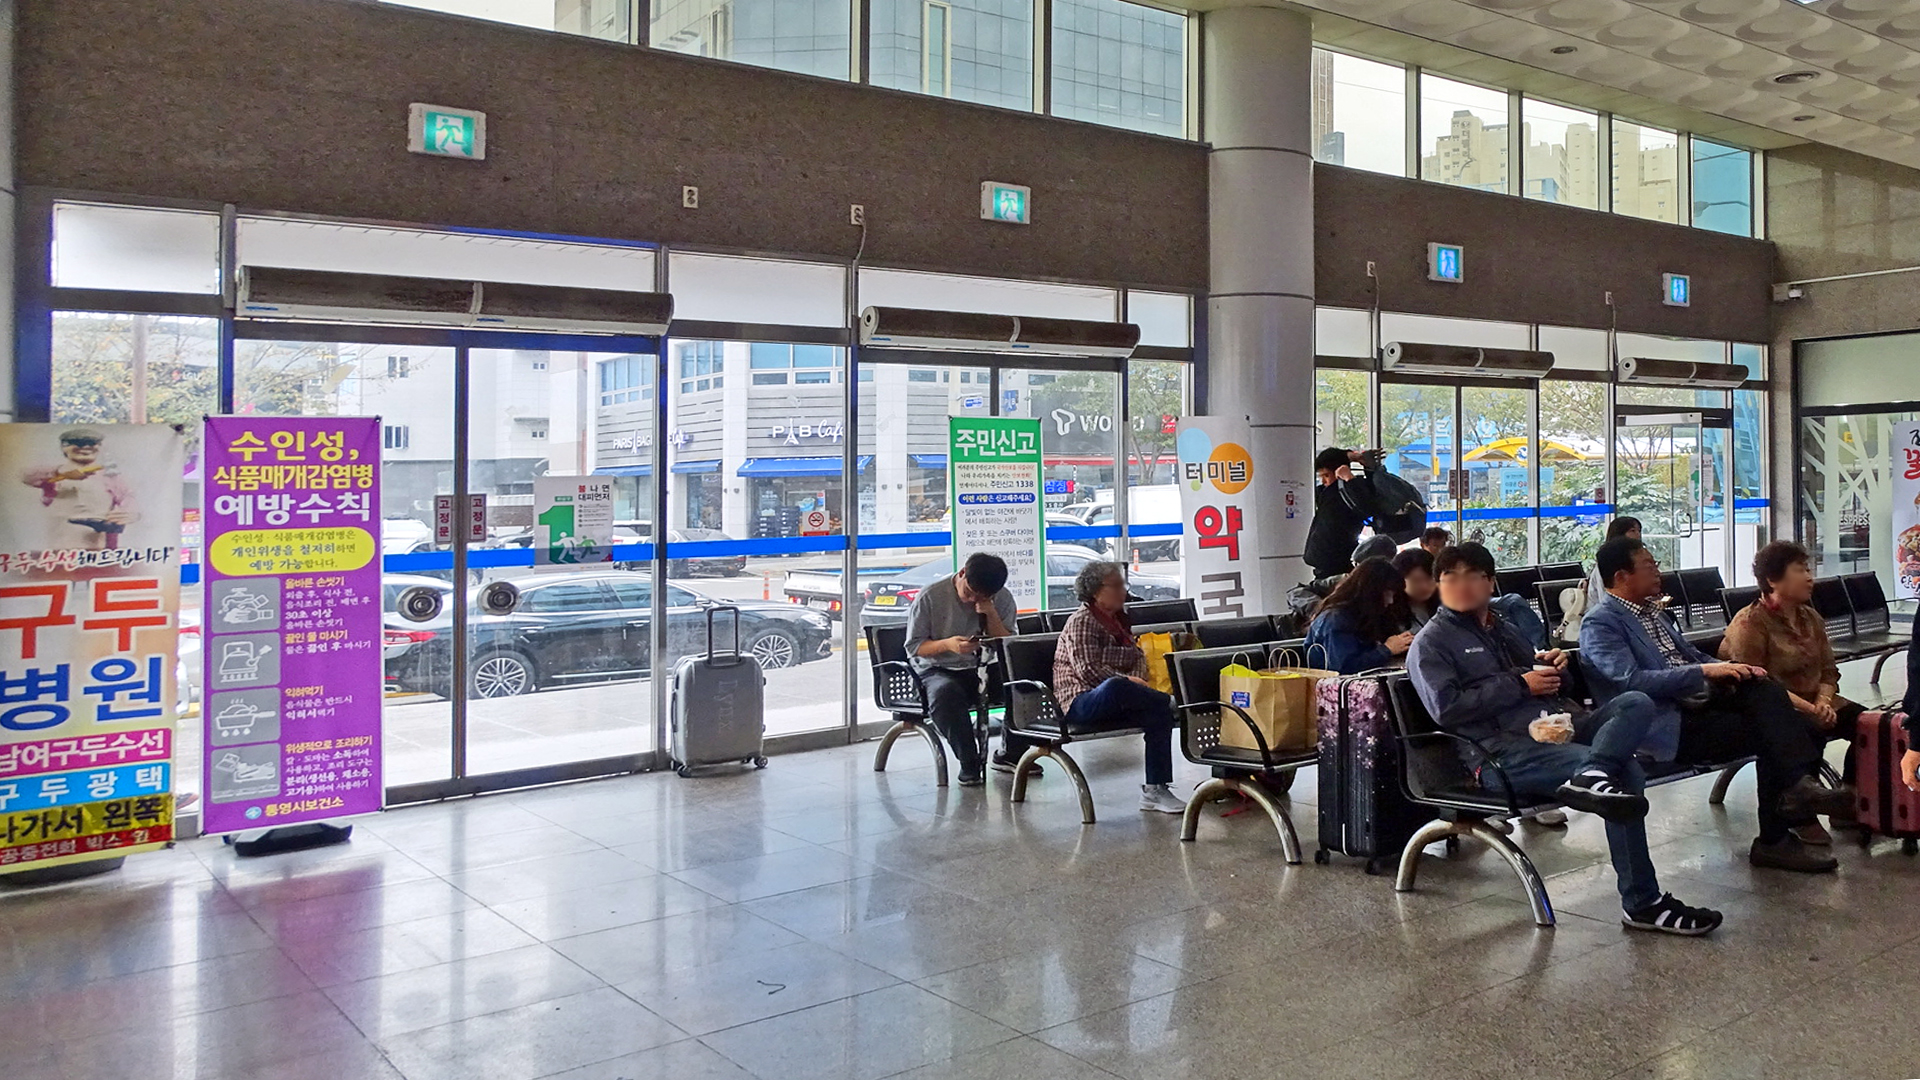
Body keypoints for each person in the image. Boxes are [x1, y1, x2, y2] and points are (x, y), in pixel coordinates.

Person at [1407, 543, 1720, 936]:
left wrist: (1558, 668)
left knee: (1635, 703)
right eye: (1449, 578)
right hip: (1500, 753)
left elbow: (1553, 686)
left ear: (1490, 582)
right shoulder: (1431, 643)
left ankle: (1591, 771)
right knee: (1624, 773)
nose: (1460, 586)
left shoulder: (1505, 628)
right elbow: (1446, 709)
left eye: (1472, 576)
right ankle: (1642, 902)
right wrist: (1521, 684)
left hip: (1559, 726)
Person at [1579, 537, 1854, 873]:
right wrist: (1706, 671)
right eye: (1650, 566)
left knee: (1765, 691)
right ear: (1622, 576)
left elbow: (1693, 656)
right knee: (1780, 725)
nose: (1658, 572)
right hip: (1665, 724)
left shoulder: (1655, 614)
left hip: (1699, 705)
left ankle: (1792, 805)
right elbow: (1632, 681)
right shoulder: (1601, 623)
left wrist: (1733, 670)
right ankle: (1781, 825)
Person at [1719, 540, 1863, 846]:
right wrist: (1812, 710)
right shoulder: (1750, 623)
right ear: (1773, 580)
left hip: (1817, 699)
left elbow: (1828, 671)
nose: (1810, 577)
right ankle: (1800, 815)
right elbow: (1758, 686)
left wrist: (1823, 702)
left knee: (1870, 726)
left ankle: (1847, 798)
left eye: (1809, 569)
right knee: (1803, 731)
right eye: (1800, 570)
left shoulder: (1811, 618)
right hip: (1778, 710)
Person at [1052, 561, 1185, 813]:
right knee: (1115, 686)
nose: (1123, 590)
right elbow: (1088, 670)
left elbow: (1137, 657)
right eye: (1117, 585)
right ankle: (1167, 700)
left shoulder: (1118, 620)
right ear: (1096, 591)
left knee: (1157, 712)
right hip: (1080, 701)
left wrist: (1136, 681)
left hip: (1123, 696)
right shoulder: (1082, 621)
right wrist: (1127, 682)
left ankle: (1155, 789)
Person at [904, 552, 1036, 787]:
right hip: (938, 667)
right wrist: (948, 644)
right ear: (962, 573)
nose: (972, 599)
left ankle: (1012, 753)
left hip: (984, 664)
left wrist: (991, 613)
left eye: (982, 596)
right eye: (969, 592)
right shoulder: (931, 596)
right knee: (946, 694)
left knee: (1023, 686)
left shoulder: (1001, 598)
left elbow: (1008, 643)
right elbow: (914, 647)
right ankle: (969, 761)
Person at [20, 426, 137, 550]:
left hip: (97, 546)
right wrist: (63, 474)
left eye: (92, 443)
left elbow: (129, 498)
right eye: (79, 443)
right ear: (64, 447)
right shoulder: (52, 476)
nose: (86, 448)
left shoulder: (110, 478)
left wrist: (127, 514)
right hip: (60, 545)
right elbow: (25, 477)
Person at [1303, 557, 1414, 675]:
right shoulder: (1336, 619)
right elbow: (1343, 667)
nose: (1390, 601)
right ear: (1371, 593)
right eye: (1387, 594)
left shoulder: (1365, 615)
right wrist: (1387, 650)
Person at [1305, 447, 1380, 579]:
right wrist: (1348, 456)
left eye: (1327, 476)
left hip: (1338, 561)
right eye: (1321, 476)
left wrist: (1349, 478)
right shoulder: (1325, 493)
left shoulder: (1353, 489)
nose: (1324, 482)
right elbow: (1327, 458)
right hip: (1326, 561)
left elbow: (1368, 507)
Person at [1586, 516, 1641, 597]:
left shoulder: (1634, 558)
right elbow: (1604, 598)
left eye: (1639, 531)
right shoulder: (1606, 562)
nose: (1638, 535)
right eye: (1632, 531)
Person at [1393, 547, 1439, 629]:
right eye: (1417, 580)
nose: (1424, 586)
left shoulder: (1445, 605)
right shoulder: (1390, 612)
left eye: (1430, 579)